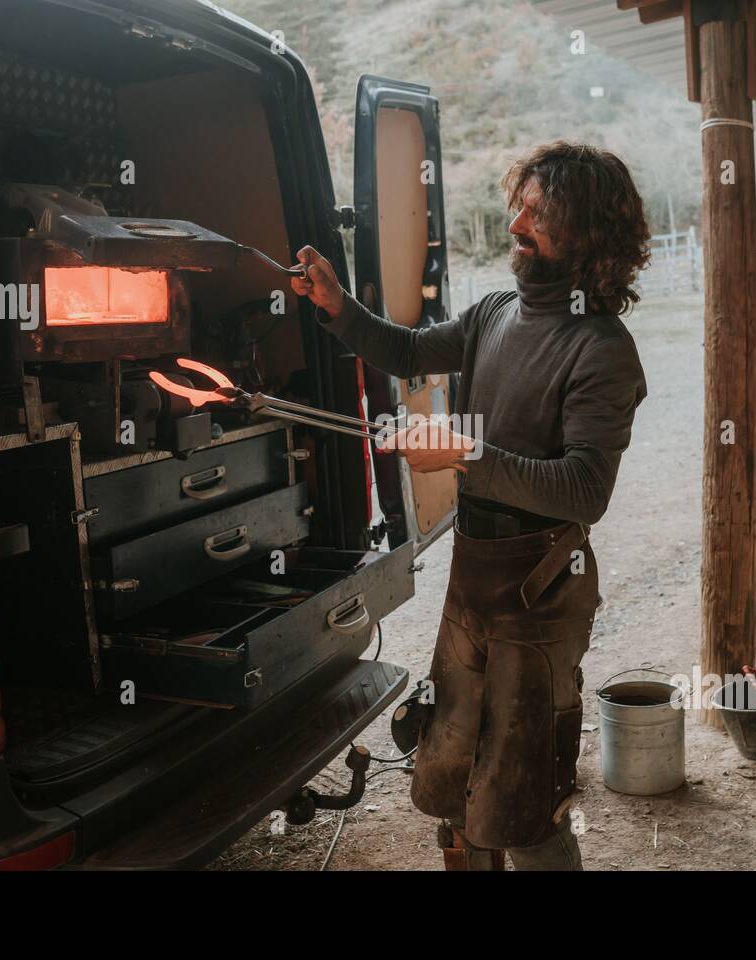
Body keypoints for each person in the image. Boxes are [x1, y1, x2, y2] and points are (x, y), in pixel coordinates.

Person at [291, 141, 649, 870]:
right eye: (519, 205)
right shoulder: (494, 313)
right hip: (474, 581)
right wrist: (337, 306)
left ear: (584, 237)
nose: (515, 223)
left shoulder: (602, 350)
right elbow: (409, 349)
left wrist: (466, 453)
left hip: (542, 594)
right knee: (451, 772)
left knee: (524, 801)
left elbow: (586, 490)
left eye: (537, 215)